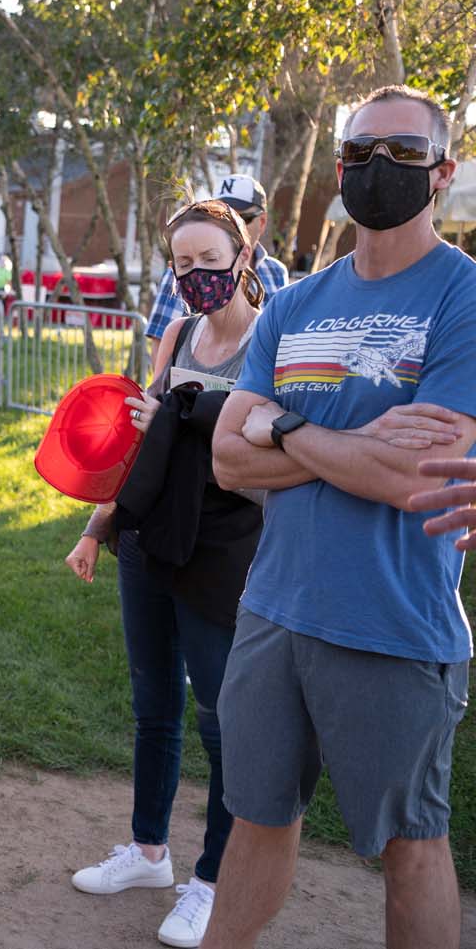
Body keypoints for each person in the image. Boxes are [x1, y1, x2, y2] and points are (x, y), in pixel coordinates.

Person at [203, 85, 475, 949]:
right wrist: (345, 443)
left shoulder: (461, 298)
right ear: (338, 165)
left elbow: (420, 473)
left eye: (401, 152)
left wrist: (284, 422)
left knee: (411, 844)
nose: (377, 169)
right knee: (256, 817)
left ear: (443, 171)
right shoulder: (293, 303)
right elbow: (226, 457)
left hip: (392, 620)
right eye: (360, 153)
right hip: (272, 607)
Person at [63, 200, 267, 948]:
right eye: (181, 264)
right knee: (154, 704)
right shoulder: (177, 332)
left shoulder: (268, 340)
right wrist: (96, 528)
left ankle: (211, 881)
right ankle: (150, 852)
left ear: (244, 256)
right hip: (149, 538)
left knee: (221, 718)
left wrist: (190, 419)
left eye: (208, 261)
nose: (194, 277)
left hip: (221, 547)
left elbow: (264, 458)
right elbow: (141, 448)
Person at [145, 175, 289, 361]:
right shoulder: (182, 275)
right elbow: (161, 354)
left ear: (261, 222)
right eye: (220, 215)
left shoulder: (276, 273)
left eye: (242, 217)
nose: (231, 224)